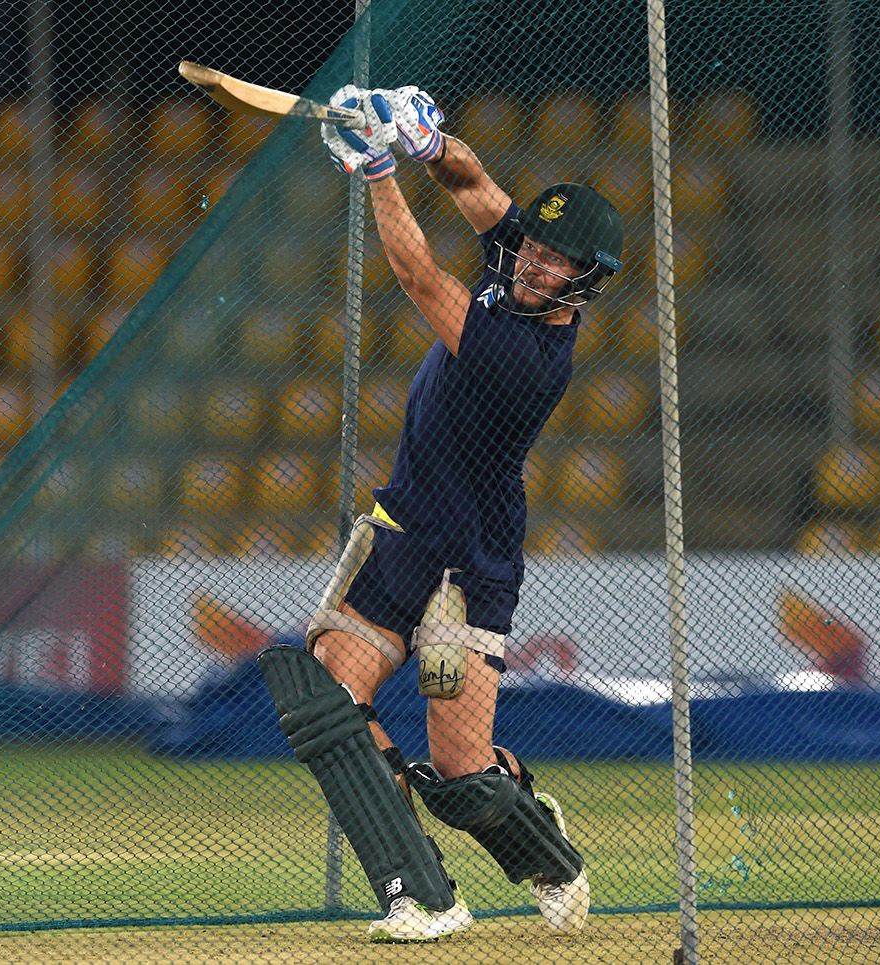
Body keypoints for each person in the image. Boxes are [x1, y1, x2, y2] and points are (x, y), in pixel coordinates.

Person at [282, 83, 624, 943]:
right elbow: (478, 189)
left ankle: (547, 849)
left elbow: (417, 275)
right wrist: (429, 141)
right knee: (329, 691)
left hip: (468, 564)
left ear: (584, 286)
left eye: (555, 263)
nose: (533, 263)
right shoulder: (520, 268)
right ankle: (420, 892)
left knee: (462, 774)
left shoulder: (531, 355)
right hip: (402, 528)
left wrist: (377, 170)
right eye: (534, 247)